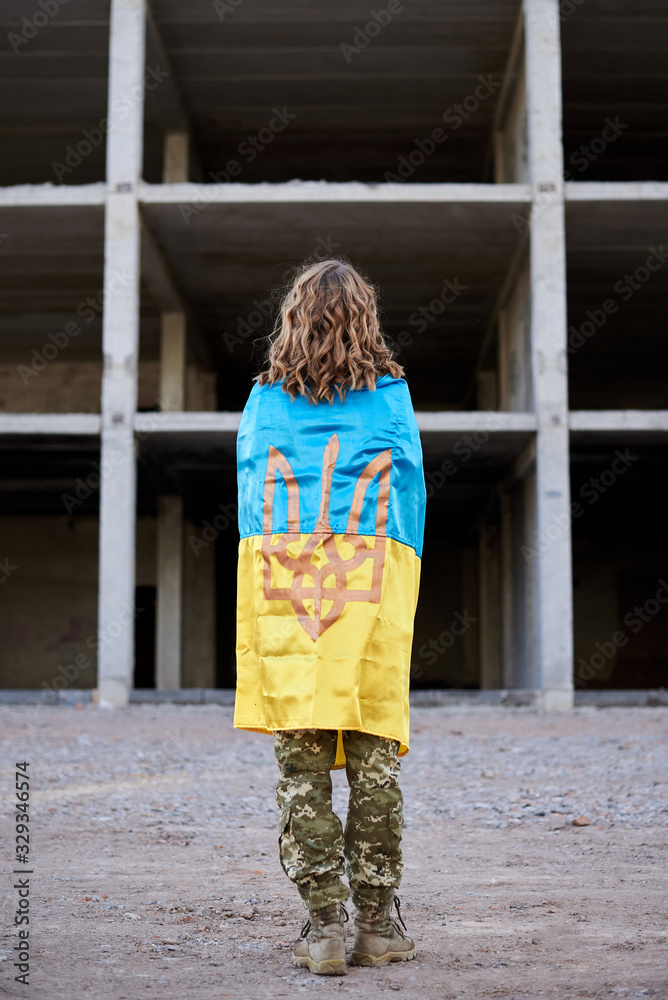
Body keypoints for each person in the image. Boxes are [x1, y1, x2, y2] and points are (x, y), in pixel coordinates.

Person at [233, 258, 427, 976]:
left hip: (286, 594)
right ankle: (379, 926)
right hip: (368, 589)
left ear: (292, 318)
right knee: (374, 766)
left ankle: (322, 929)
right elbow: (407, 500)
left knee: (302, 770)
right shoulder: (392, 397)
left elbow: (253, 499)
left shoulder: (264, 401)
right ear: (365, 319)